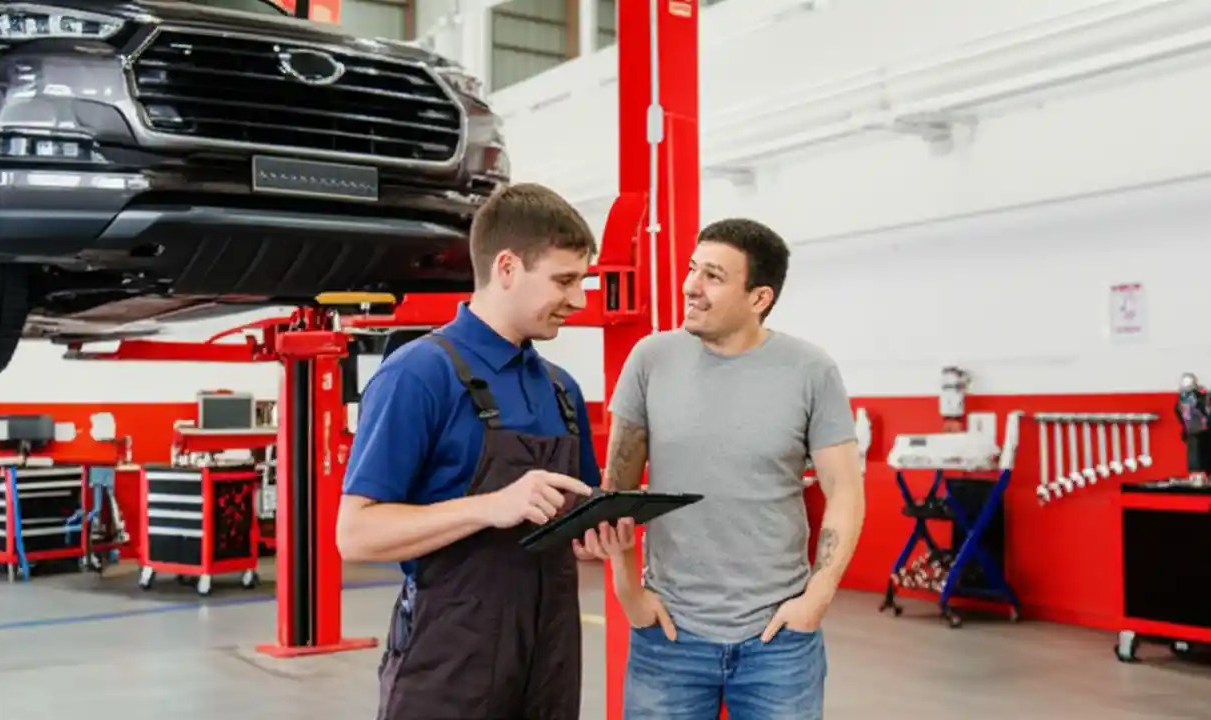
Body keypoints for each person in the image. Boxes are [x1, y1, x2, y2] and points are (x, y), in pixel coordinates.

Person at [577, 217, 866, 719]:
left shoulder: (810, 371)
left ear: (759, 298)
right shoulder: (651, 360)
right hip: (669, 637)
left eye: (712, 275)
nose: (691, 286)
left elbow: (844, 490)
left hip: (779, 641)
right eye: (693, 269)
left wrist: (816, 600)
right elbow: (616, 489)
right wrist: (629, 593)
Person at [336, 182, 605, 720]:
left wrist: (602, 524)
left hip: (550, 650)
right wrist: (491, 506)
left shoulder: (561, 388)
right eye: (564, 280)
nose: (578, 299)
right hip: (451, 655)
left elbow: (575, 524)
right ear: (506, 267)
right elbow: (356, 534)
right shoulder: (419, 374)